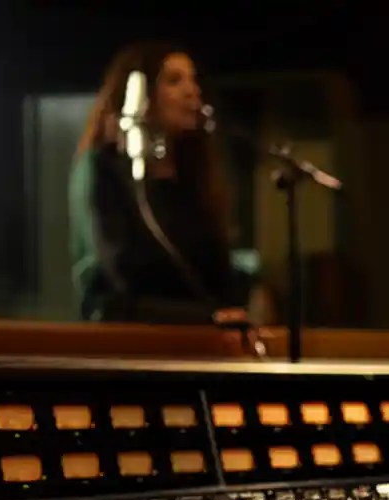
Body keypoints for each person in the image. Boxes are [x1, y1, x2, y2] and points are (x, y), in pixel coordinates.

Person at [69, 41, 254, 325]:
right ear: (139, 96)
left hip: (201, 340)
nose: (192, 90)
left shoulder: (194, 177)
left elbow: (217, 270)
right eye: (174, 81)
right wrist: (206, 317)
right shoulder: (105, 169)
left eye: (193, 79)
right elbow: (121, 275)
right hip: (128, 338)